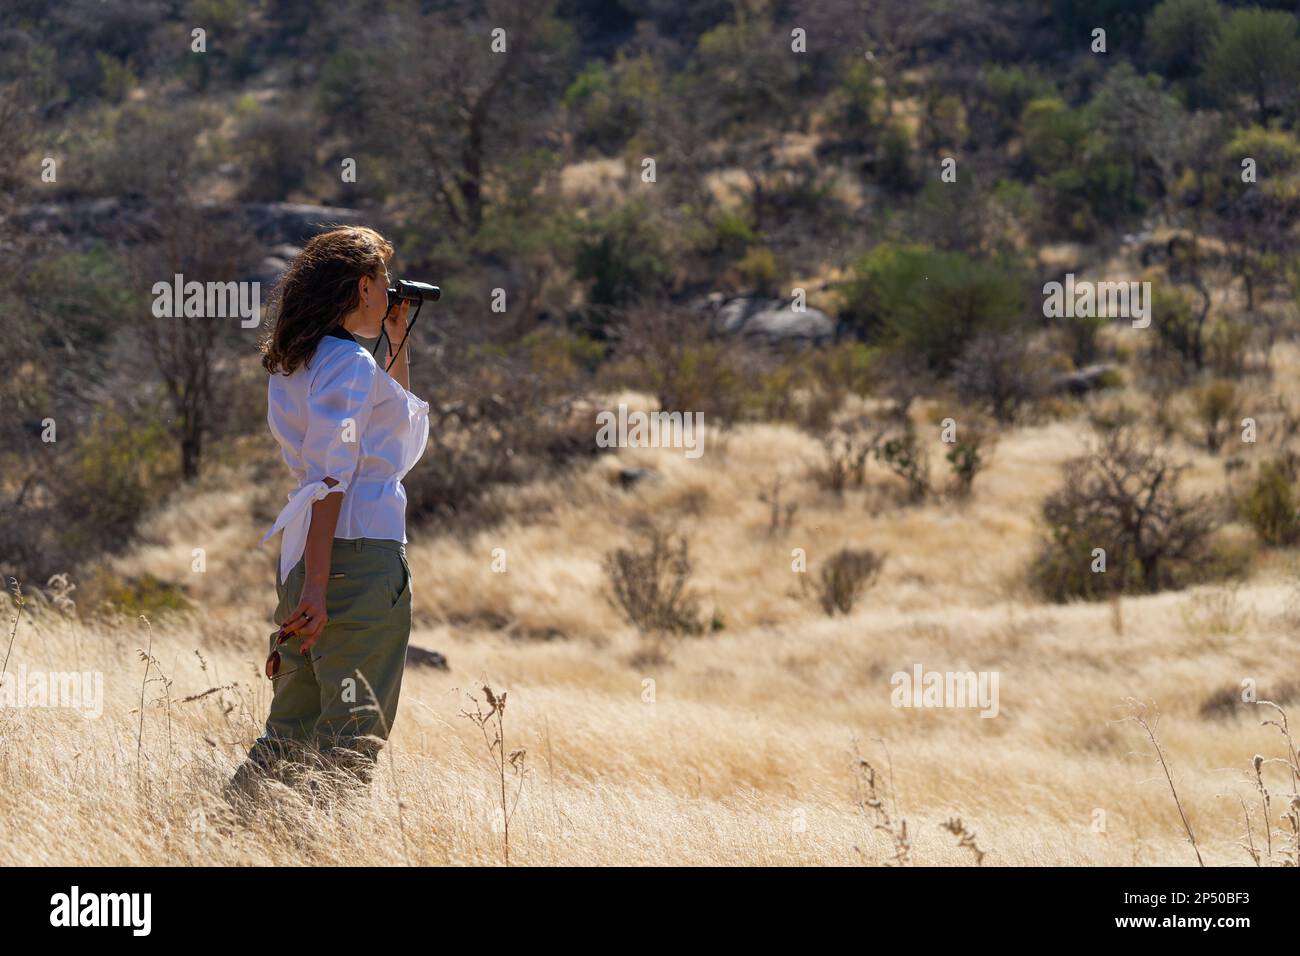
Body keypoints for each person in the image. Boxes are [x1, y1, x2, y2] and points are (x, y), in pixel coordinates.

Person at [226, 225, 429, 803]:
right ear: (363, 287)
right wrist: (320, 588)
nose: (391, 295)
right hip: (355, 562)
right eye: (384, 284)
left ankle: (223, 836)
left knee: (289, 733)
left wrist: (396, 340)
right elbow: (334, 477)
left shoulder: (302, 362)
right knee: (351, 740)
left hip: (305, 556)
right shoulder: (349, 364)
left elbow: (377, 430)